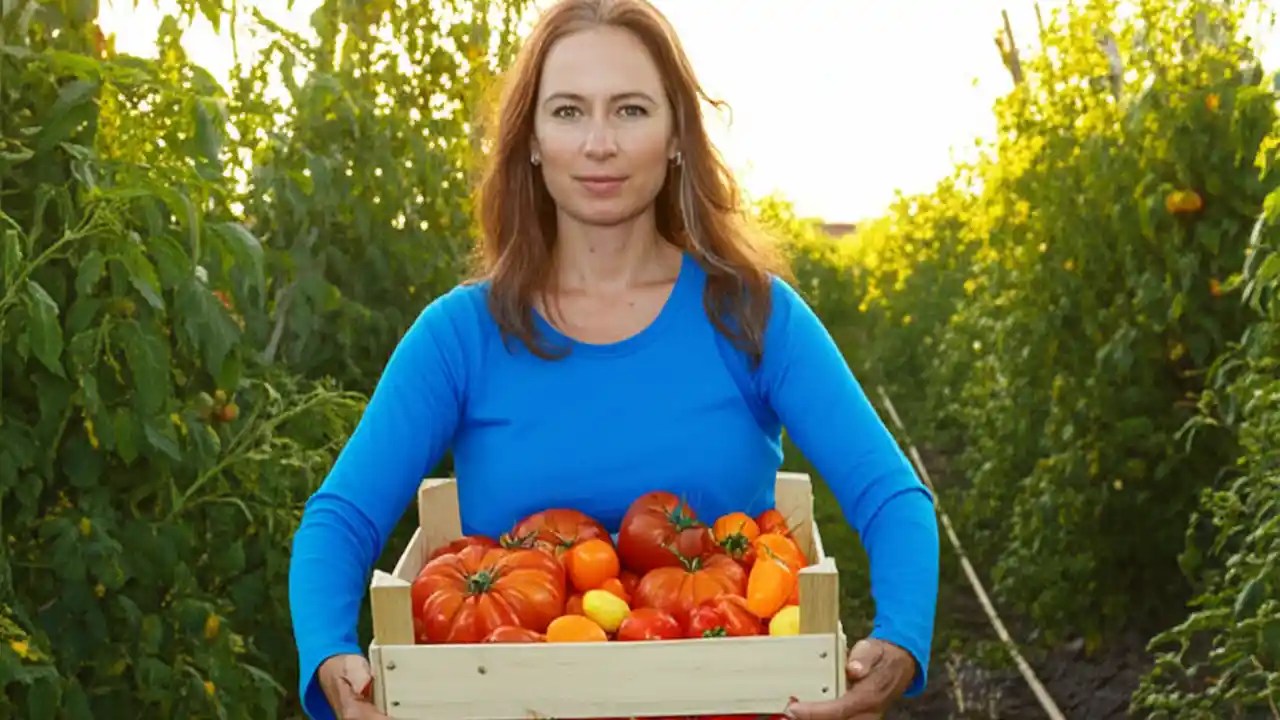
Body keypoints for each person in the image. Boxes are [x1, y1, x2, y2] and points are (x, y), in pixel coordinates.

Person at [287, 0, 940, 718]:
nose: (600, 143)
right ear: (531, 139)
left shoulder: (751, 314)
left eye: (630, 110)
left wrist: (900, 638)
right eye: (568, 112)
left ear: (676, 138)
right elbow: (341, 518)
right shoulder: (460, 336)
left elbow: (891, 496)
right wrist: (330, 651)